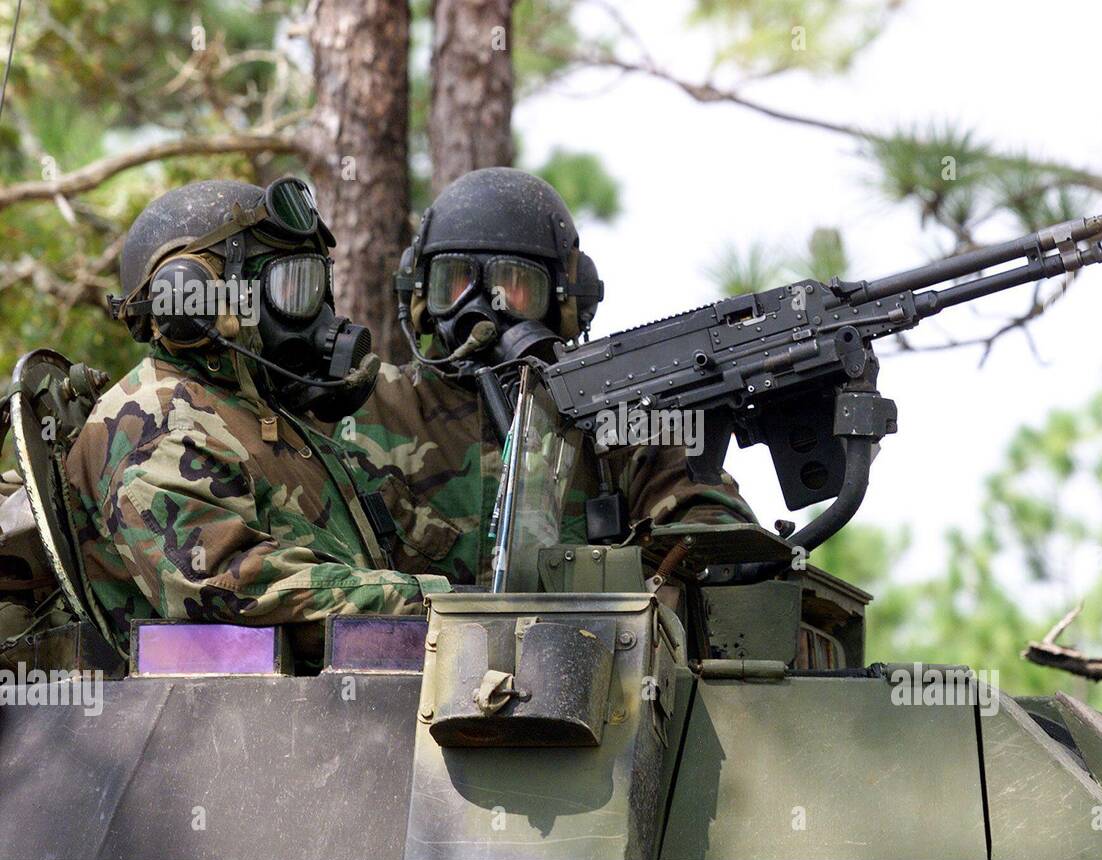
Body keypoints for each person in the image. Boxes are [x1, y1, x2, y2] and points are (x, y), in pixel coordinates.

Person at [65, 179, 452, 659]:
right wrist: (432, 604)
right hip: (208, 725)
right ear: (197, 299)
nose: (315, 314)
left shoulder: (254, 408)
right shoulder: (158, 422)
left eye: (314, 284)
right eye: (291, 288)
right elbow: (231, 587)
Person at [336, 168, 754, 586]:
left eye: (513, 285)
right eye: (456, 281)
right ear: (422, 295)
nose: (482, 306)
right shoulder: (366, 406)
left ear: (567, 299)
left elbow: (721, 536)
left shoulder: (616, 419)